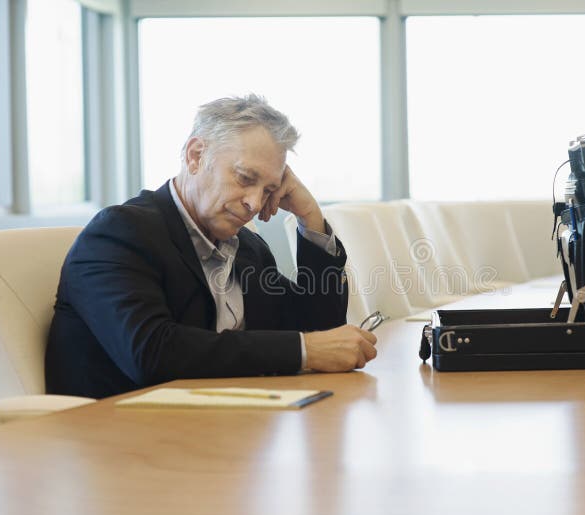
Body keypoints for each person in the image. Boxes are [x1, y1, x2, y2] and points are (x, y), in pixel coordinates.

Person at [45, 95, 377, 399]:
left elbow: (322, 332)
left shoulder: (248, 249)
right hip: (121, 441)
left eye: (268, 189)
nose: (253, 203)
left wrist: (311, 219)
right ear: (195, 156)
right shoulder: (120, 233)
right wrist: (304, 349)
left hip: (224, 431)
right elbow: (151, 352)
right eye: (246, 178)